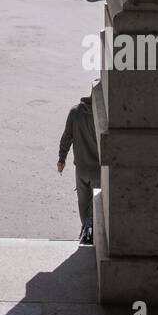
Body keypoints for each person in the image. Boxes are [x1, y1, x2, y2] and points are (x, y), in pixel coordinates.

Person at [57, 92, 100, 244]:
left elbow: (67, 137)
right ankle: (92, 232)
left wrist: (62, 159)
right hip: (98, 170)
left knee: (83, 202)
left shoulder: (75, 112)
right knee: (97, 202)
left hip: (81, 169)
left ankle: (85, 229)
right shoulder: (100, 117)